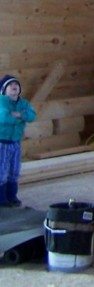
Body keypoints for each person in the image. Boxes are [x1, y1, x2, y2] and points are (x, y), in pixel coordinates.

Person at [0, 74, 36, 207]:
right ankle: (1, 198)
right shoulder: (1, 102)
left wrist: (20, 114)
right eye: (10, 85)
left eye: (16, 84)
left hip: (16, 142)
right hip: (2, 142)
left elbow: (32, 115)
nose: (14, 86)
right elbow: (3, 118)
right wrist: (21, 118)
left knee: (14, 170)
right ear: (4, 90)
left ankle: (12, 196)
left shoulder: (23, 103)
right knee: (2, 170)